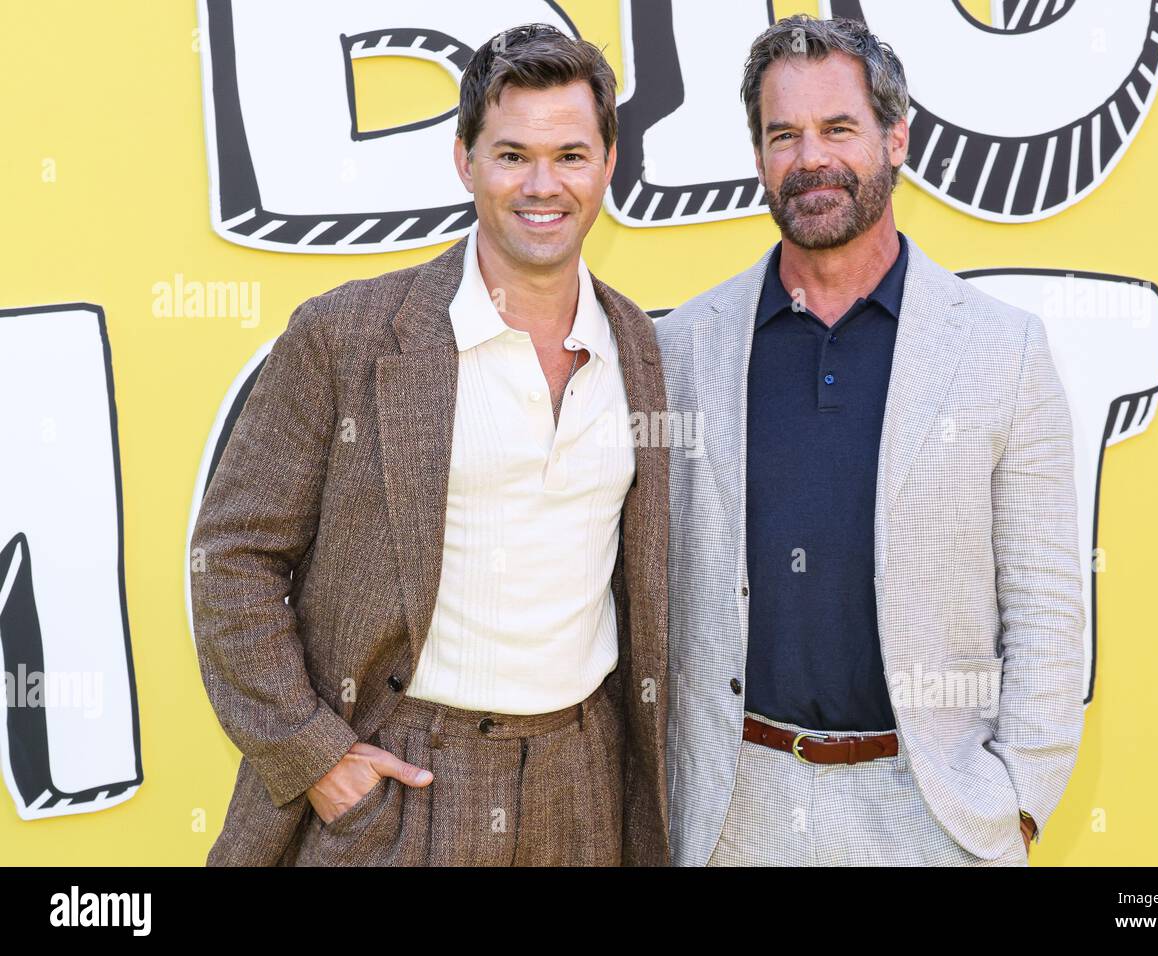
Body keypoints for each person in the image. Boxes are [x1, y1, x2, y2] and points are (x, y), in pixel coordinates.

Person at [190, 23, 668, 866]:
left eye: (570, 155)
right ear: (465, 160)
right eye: (512, 154)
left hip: (583, 784)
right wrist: (315, 755)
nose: (542, 185)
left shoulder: (642, 347)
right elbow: (232, 557)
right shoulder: (345, 335)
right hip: (403, 781)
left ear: (608, 163)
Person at [656, 14, 1085, 866]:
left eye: (838, 128)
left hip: (929, 813)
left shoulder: (1004, 350)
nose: (811, 157)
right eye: (784, 134)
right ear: (758, 157)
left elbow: (1046, 603)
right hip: (734, 809)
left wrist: (1016, 804)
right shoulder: (683, 346)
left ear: (896, 139)